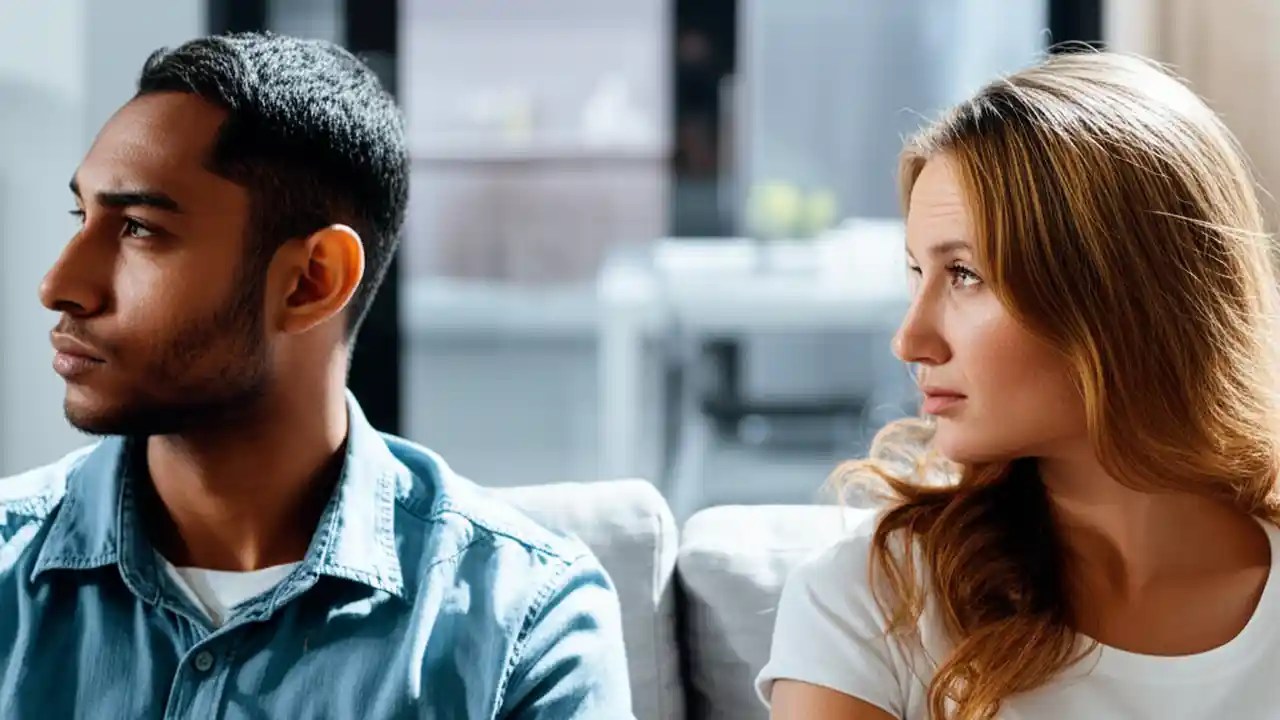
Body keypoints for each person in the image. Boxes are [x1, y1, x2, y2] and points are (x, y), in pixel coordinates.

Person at [0, 32, 632, 719]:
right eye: (83, 215)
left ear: (312, 281)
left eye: (140, 228)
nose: (59, 285)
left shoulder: (524, 621)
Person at [757, 50, 1280, 720]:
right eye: (917, 273)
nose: (910, 341)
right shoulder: (871, 607)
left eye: (965, 275)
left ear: (1123, 296)